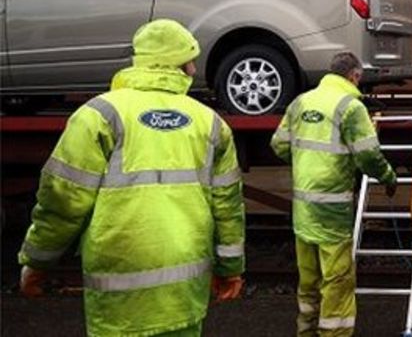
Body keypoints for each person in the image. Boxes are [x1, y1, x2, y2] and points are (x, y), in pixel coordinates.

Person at [18, 19, 246, 336]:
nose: (194, 69)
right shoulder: (211, 123)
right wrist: (231, 269)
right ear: (182, 64)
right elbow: (228, 208)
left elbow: (63, 200)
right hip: (183, 294)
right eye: (191, 59)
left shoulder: (98, 114)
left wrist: (38, 261)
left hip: (118, 298)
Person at [271, 52, 398, 337]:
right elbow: (369, 157)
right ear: (354, 76)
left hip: (302, 213)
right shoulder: (351, 108)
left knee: (308, 280)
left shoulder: (300, 102)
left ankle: (306, 331)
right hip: (332, 213)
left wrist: (306, 162)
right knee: (337, 281)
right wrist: (389, 177)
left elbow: (279, 146)